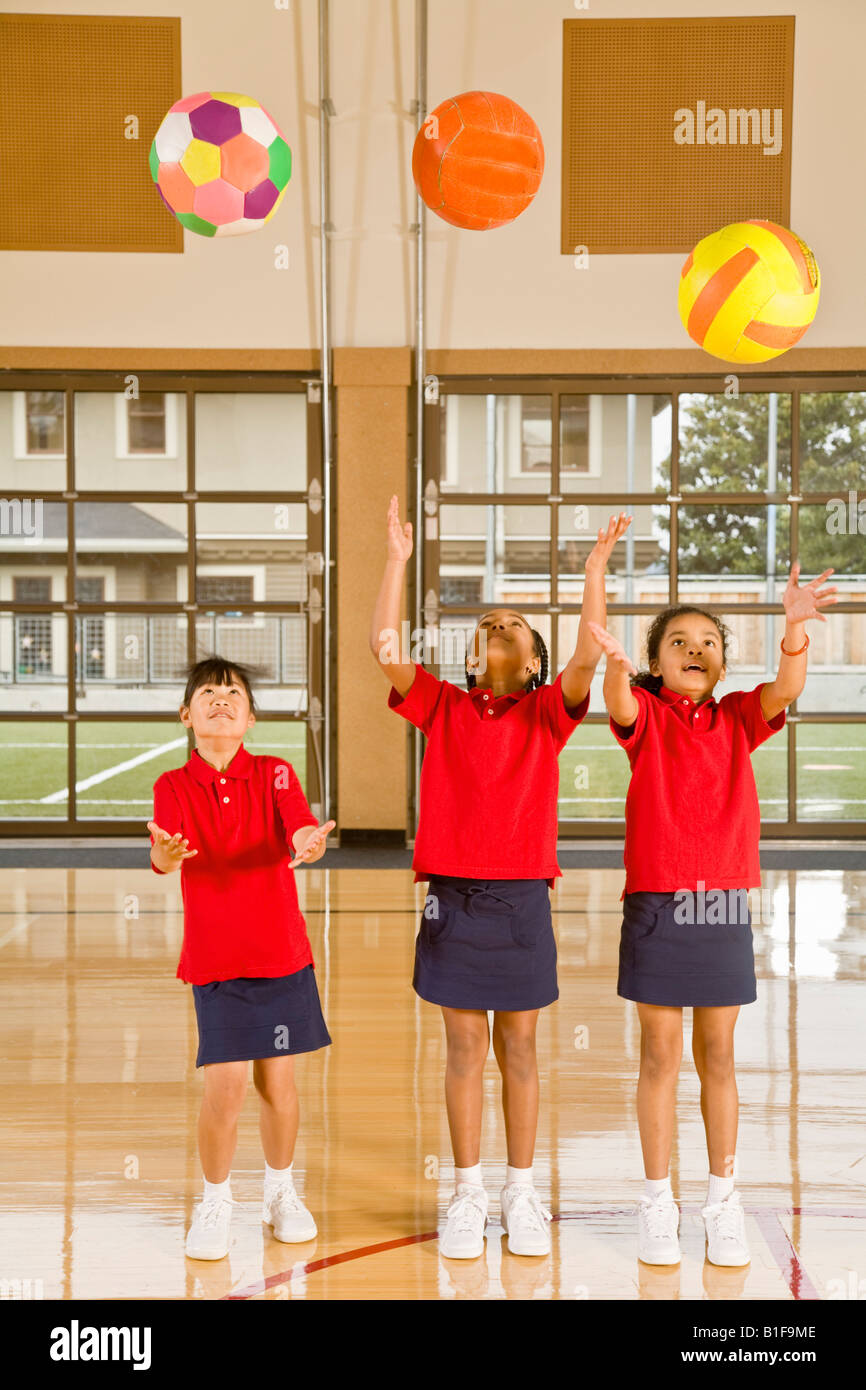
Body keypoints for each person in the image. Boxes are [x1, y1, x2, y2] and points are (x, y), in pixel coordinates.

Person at [371, 494, 631, 1259]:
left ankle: (521, 1191)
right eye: (488, 625)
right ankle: (466, 1193)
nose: (497, 627)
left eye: (514, 625)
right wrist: (395, 560)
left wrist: (593, 571)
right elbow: (387, 646)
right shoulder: (444, 706)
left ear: (536, 661)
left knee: (519, 1048)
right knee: (460, 1051)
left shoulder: (550, 712)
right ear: (471, 655)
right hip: (452, 899)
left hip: (520, 899)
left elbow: (588, 654)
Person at [588, 560, 837, 1267]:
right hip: (659, 902)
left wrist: (793, 630)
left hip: (722, 902)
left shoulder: (736, 718)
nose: (695, 649)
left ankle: (723, 1200)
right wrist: (612, 666)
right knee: (660, 1055)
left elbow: (788, 686)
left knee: (720, 1055)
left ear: (723, 659)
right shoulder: (647, 716)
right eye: (678, 642)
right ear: (655, 662)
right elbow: (621, 703)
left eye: (708, 640)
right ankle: (657, 1202)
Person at [147, 656, 336, 1261]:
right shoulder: (171, 786)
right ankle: (216, 1198)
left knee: (278, 1082)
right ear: (187, 715)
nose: (221, 699)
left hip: (280, 953)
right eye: (208, 692)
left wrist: (307, 840)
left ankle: (280, 1190)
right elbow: (163, 854)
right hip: (216, 960)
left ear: (250, 718)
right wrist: (170, 855)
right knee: (225, 1089)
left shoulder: (277, 773)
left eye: (233, 693)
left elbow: (298, 824)